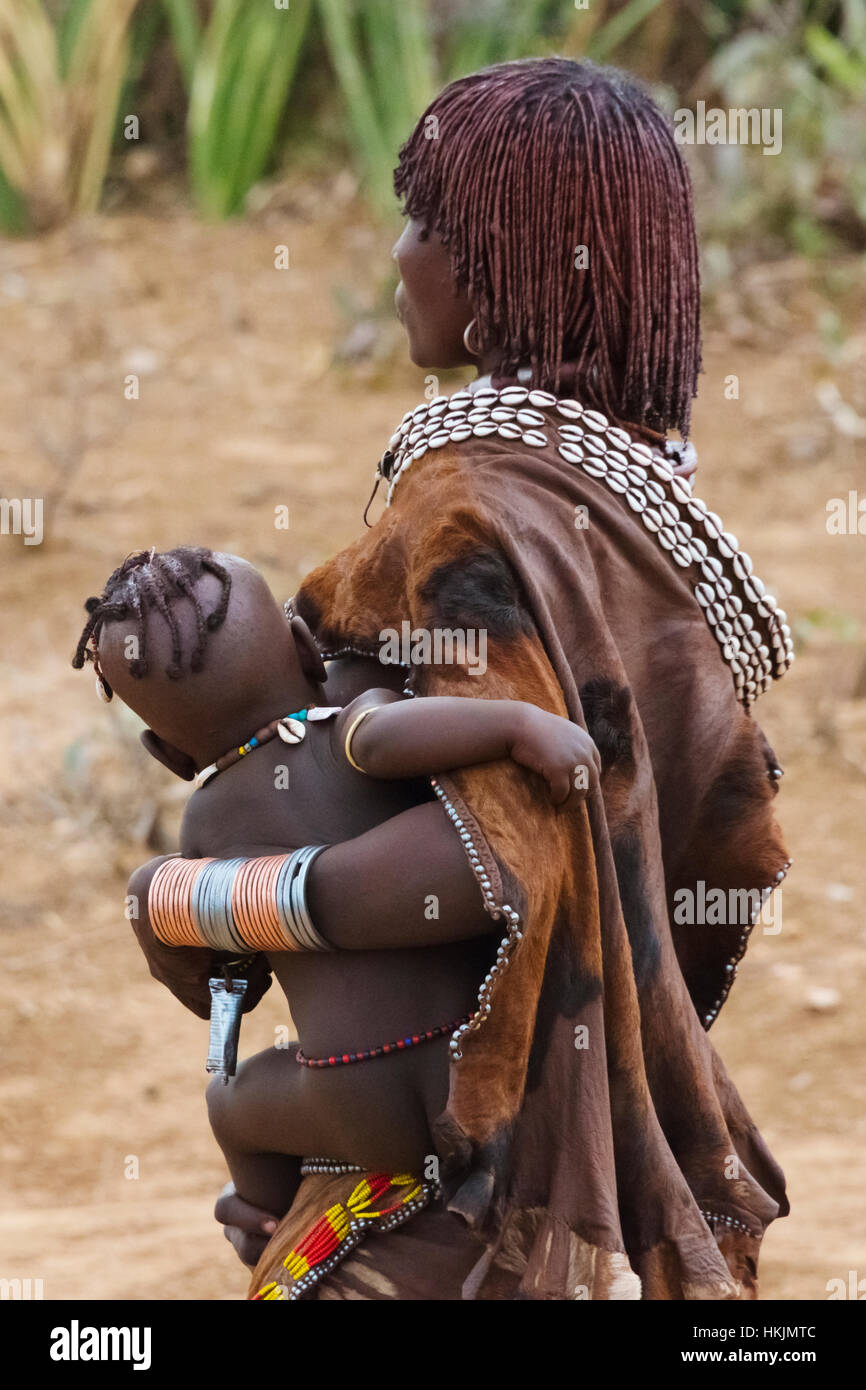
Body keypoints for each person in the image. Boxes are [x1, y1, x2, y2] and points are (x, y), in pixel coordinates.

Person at [120, 56, 793, 1300]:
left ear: (503, 273)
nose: (395, 253)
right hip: (550, 1163)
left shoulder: (471, 513)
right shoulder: (643, 527)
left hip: (448, 1190)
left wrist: (188, 895)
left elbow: (492, 863)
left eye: (426, 222)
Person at [73, 545, 599, 1222]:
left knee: (229, 1100)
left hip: (350, 1102)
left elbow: (237, 981)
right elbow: (392, 735)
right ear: (305, 648)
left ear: (168, 756)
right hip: (465, 1061)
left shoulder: (202, 828)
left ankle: (256, 1215)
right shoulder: (347, 733)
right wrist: (521, 725)